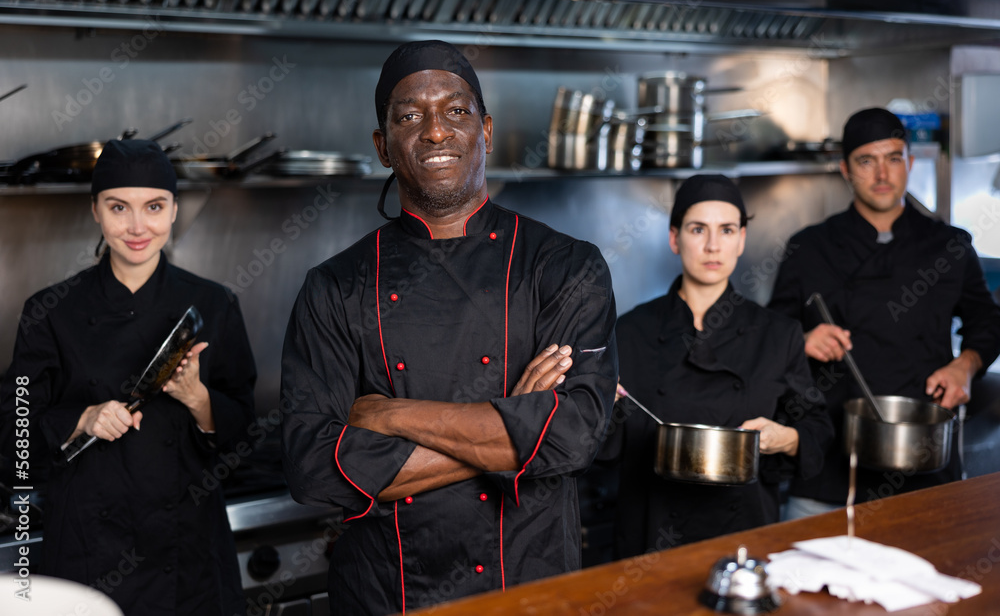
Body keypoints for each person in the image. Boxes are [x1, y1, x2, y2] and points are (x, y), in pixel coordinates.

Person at [280, 40, 618, 615]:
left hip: (530, 592)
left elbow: (574, 434)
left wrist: (389, 416)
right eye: (409, 117)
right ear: (383, 147)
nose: (436, 131)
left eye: (456, 110)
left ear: (486, 130)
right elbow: (312, 467)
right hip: (387, 595)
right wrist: (518, 429)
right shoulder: (334, 287)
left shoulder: (565, 266)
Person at [0, 140, 257, 616]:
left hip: (188, 558)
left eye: (154, 206)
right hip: (87, 551)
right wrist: (82, 419)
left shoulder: (215, 304)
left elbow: (245, 432)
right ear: (95, 210)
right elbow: (11, 440)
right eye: (118, 207)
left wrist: (197, 398)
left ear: (174, 209)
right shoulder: (49, 312)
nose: (138, 227)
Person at [769, 107, 1000, 518]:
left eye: (893, 158)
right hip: (828, 469)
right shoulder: (809, 247)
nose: (882, 174)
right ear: (845, 169)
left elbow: (988, 322)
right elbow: (770, 334)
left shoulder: (949, 246)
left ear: (909, 163)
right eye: (866, 161)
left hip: (924, 462)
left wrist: (965, 366)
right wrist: (802, 340)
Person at [605, 174, 833, 558]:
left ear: (741, 240)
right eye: (698, 229)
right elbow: (603, 450)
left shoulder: (779, 334)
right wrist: (600, 406)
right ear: (674, 238)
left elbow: (817, 429)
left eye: (726, 230)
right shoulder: (630, 332)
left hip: (743, 532)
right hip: (650, 532)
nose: (713, 245)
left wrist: (786, 438)